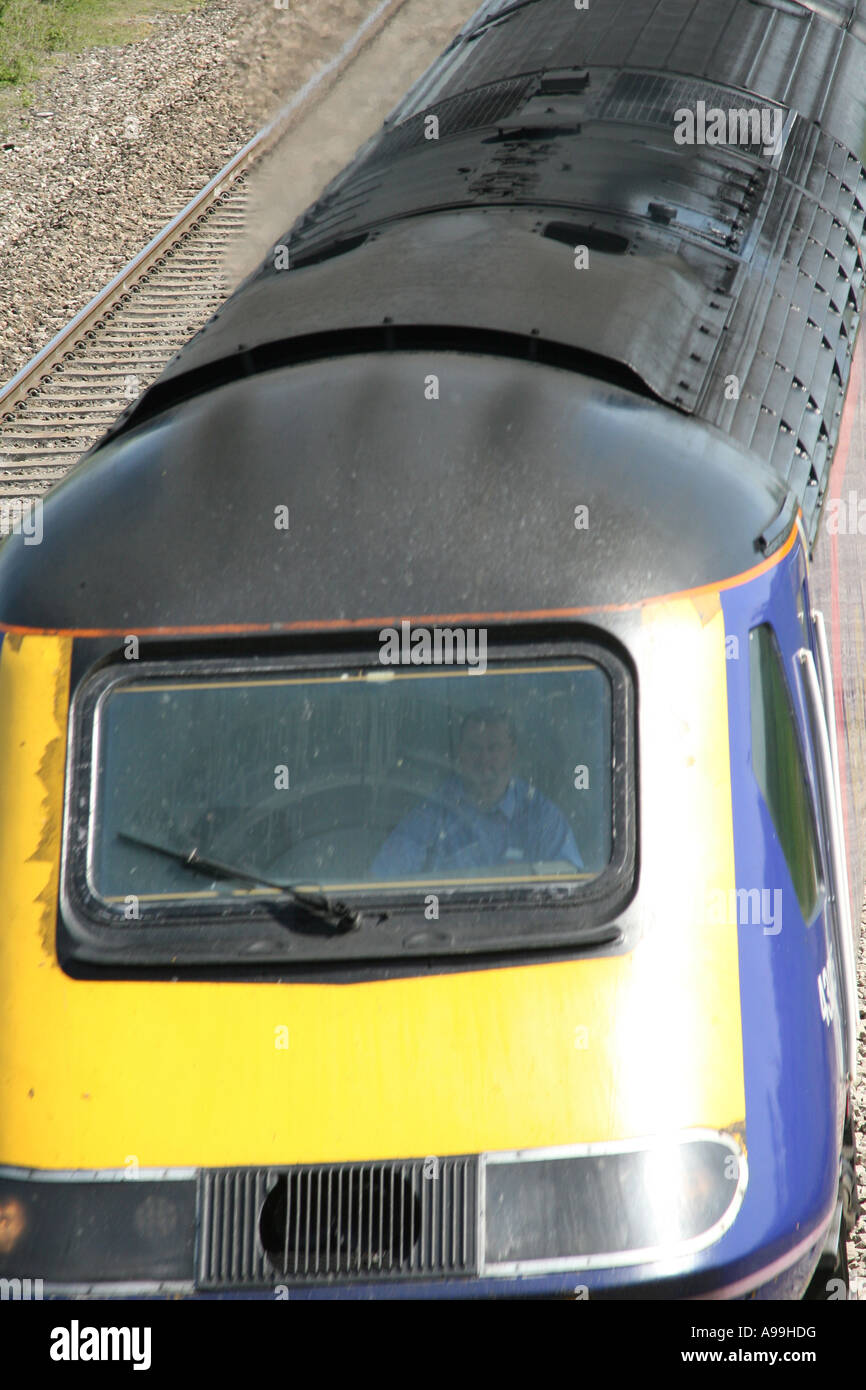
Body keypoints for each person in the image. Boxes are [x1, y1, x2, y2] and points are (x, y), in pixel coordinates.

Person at [370, 707, 583, 878]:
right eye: (474, 748)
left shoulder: (541, 815)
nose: (484, 760)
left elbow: (570, 885)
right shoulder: (432, 814)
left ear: (512, 753)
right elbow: (383, 879)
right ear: (460, 752)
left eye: (494, 748)